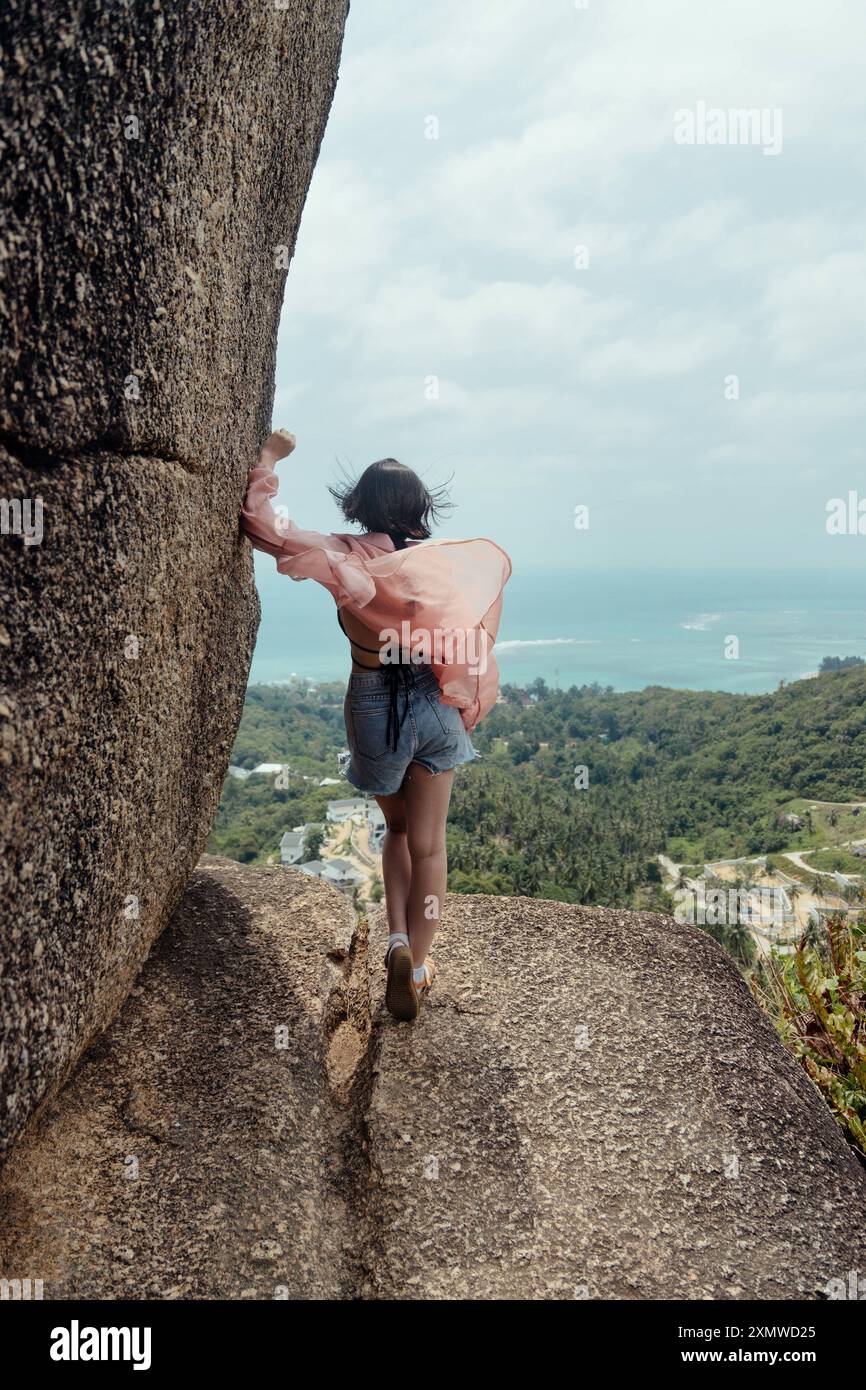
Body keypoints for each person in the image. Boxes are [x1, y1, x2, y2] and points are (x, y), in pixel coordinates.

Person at [241, 430, 511, 1021]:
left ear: (358, 505)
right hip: (435, 703)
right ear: (421, 510)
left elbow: (264, 530)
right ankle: (417, 964)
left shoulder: (346, 555)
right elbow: (468, 646)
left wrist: (267, 462)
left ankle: (393, 941)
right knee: (430, 845)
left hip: (373, 699)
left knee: (394, 834)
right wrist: (465, 704)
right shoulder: (434, 568)